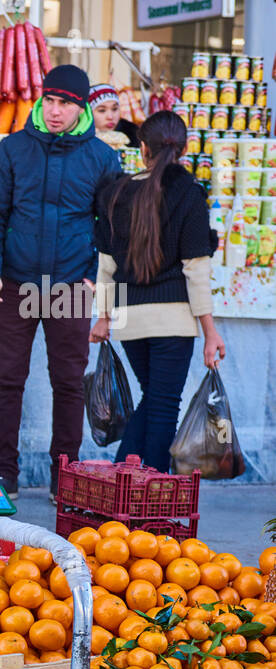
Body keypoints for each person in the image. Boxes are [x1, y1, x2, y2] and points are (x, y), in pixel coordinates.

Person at [0, 64, 123, 499]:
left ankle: (65, 476)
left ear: (81, 107)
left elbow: (112, 225)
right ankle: (3, 472)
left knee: (69, 382)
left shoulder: (101, 156)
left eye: (66, 103)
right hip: (16, 284)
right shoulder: (13, 149)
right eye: (50, 101)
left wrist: (95, 278)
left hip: (71, 285)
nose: (56, 111)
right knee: (7, 379)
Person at [90, 111, 223, 473]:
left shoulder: (116, 193)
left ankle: (124, 485)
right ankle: (149, 493)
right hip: (173, 321)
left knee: (155, 401)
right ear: (183, 149)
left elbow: (106, 266)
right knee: (163, 406)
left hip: (130, 321)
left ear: (143, 148)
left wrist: (103, 317)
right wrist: (210, 332)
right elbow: (196, 269)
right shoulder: (190, 194)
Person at [89, 83, 140, 149]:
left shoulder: (134, 135)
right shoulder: (78, 140)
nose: (110, 117)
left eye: (114, 109)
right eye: (102, 110)